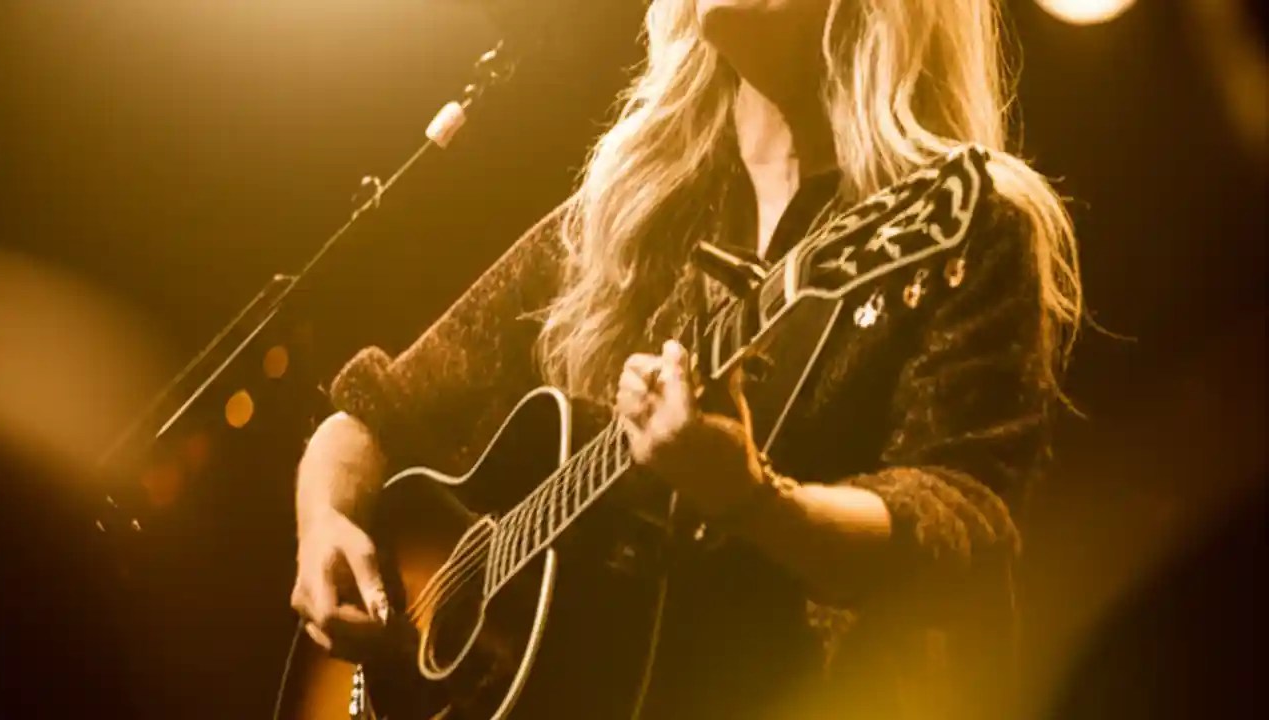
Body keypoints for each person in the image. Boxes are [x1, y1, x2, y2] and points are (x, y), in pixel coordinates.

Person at [290, 0, 1083, 717]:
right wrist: (322, 522)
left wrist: (750, 499)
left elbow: (957, 523)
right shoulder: (623, 212)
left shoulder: (969, 217)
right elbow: (373, 414)